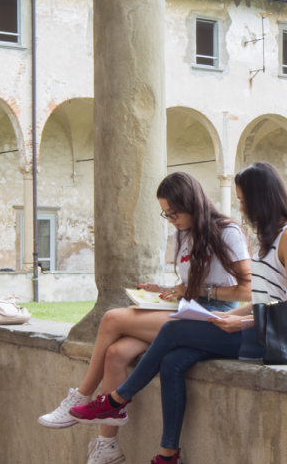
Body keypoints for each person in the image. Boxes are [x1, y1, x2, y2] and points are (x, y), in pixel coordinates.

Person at [66, 163, 287, 464]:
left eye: (244, 200)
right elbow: (262, 299)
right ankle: (168, 456)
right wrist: (234, 318)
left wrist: (240, 320)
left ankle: (117, 399)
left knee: (174, 328)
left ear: (262, 198)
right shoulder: (268, 241)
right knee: (172, 360)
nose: (241, 207)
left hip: (277, 338)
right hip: (256, 328)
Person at [39, 171, 251, 464]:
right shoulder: (184, 232)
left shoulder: (227, 231)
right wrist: (167, 290)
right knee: (115, 352)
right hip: (186, 308)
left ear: (192, 204)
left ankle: (82, 396)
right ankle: (106, 446)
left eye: (174, 213)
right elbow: (192, 284)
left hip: (214, 315)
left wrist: (204, 291)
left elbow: (248, 289)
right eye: (165, 214)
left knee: (112, 319)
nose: (171, 220)